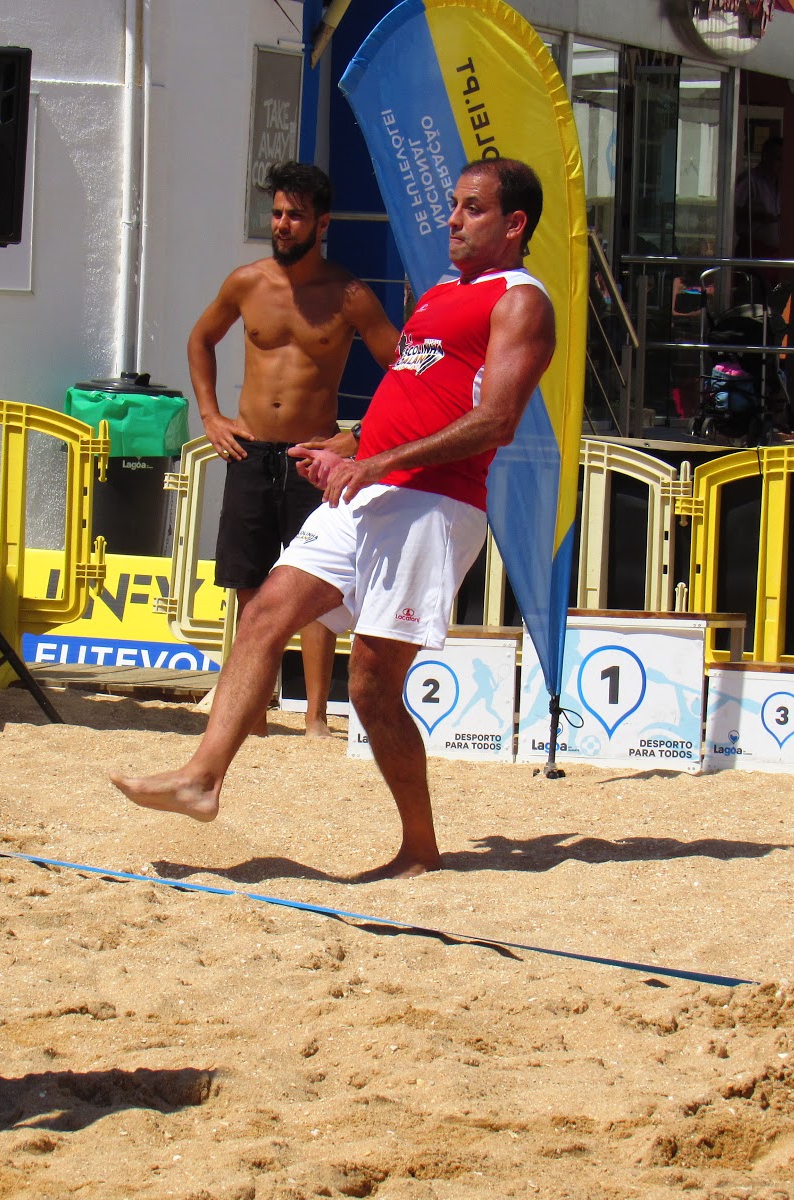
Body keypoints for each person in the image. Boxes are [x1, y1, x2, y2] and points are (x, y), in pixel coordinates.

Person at [113, 158, 556, 879]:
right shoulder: (442, 292)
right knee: (264, 613)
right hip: (367, 487)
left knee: (373, 689)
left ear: (514, 224)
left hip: (433, 504)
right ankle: (201, 778)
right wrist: (349, 446)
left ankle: (419, 848)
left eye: (471, 208)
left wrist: (375, 464)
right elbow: (410, 396)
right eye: (452, 204)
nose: (452, 219)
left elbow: (496, 420)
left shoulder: (521, 301)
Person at [190, 161, 399, 738]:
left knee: (314, 584)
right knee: (249, 582)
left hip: (313, 456)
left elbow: (406, 367)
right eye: (277, 213)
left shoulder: (349, 294)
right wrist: (210, 415)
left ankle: (314, 716)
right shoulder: (247, 282)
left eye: (295, 216)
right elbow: (201, 339)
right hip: (250, 450)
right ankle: (252, 710)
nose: (282, 224)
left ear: (322, 223)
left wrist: (360, 436)